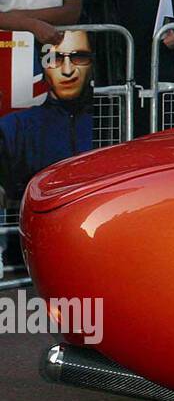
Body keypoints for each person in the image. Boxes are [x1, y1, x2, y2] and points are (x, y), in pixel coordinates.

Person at [0, 29, 94, 255]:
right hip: (30, 251)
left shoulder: (116, 121)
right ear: (42, 65)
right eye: (55, 59)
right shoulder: (14, 128)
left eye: (79, 57)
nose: (68, 70)